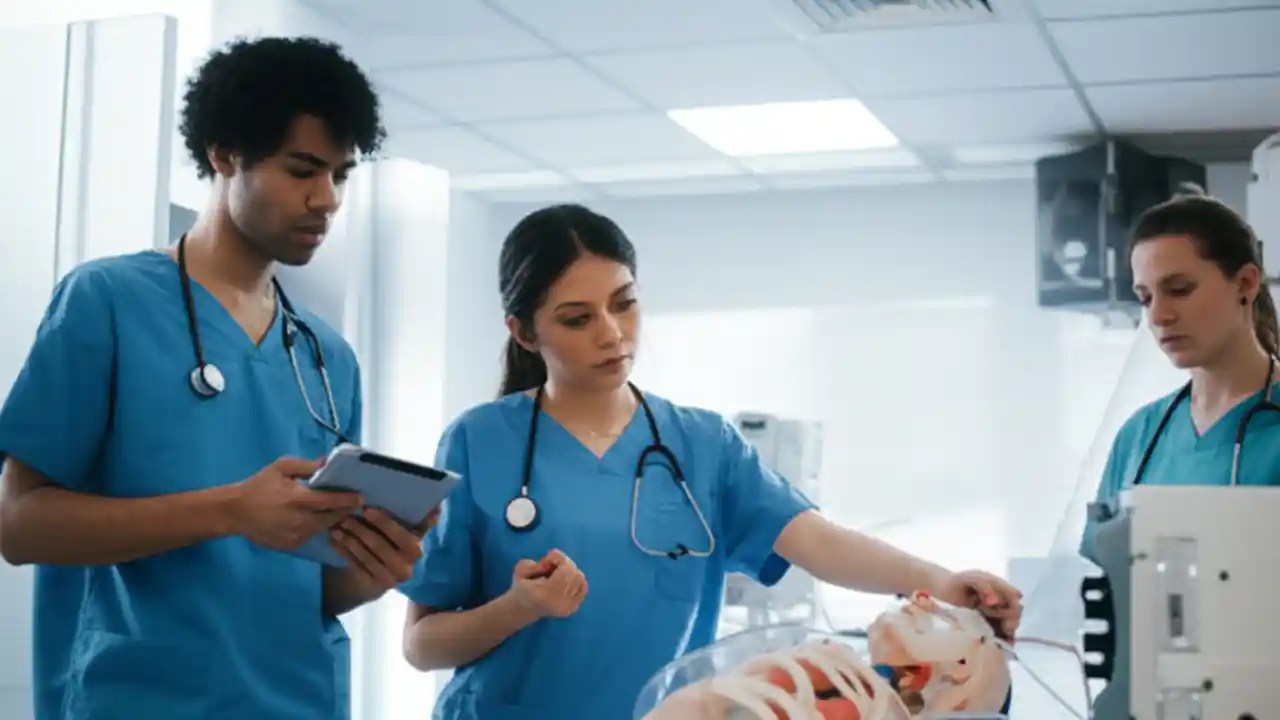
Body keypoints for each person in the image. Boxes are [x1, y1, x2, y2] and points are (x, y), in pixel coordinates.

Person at [398, 203, 1024, 719]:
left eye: (624, 302)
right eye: (577, 318)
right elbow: (422, 645)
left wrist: (943, 584)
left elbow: (822, 543)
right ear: (524, 332)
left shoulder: (700, 444)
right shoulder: (479, 442)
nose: (613, 333)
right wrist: (520, 607)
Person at [0, 37, 426, 719]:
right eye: (302, 170)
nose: (328, 199)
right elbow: (18, 525)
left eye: (341, 175)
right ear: (225, 154)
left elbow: (308, 582)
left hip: (296, 699)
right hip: (139, 699)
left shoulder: (326, 359)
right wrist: (231, 510)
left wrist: (373, 571)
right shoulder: (107, 303)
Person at [1081, 184, 1280, 562]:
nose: (1158, 316)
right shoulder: (1140, 436)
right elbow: (1103, 577)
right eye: (1146, 298)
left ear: (1245, 283)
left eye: (1179, 289)